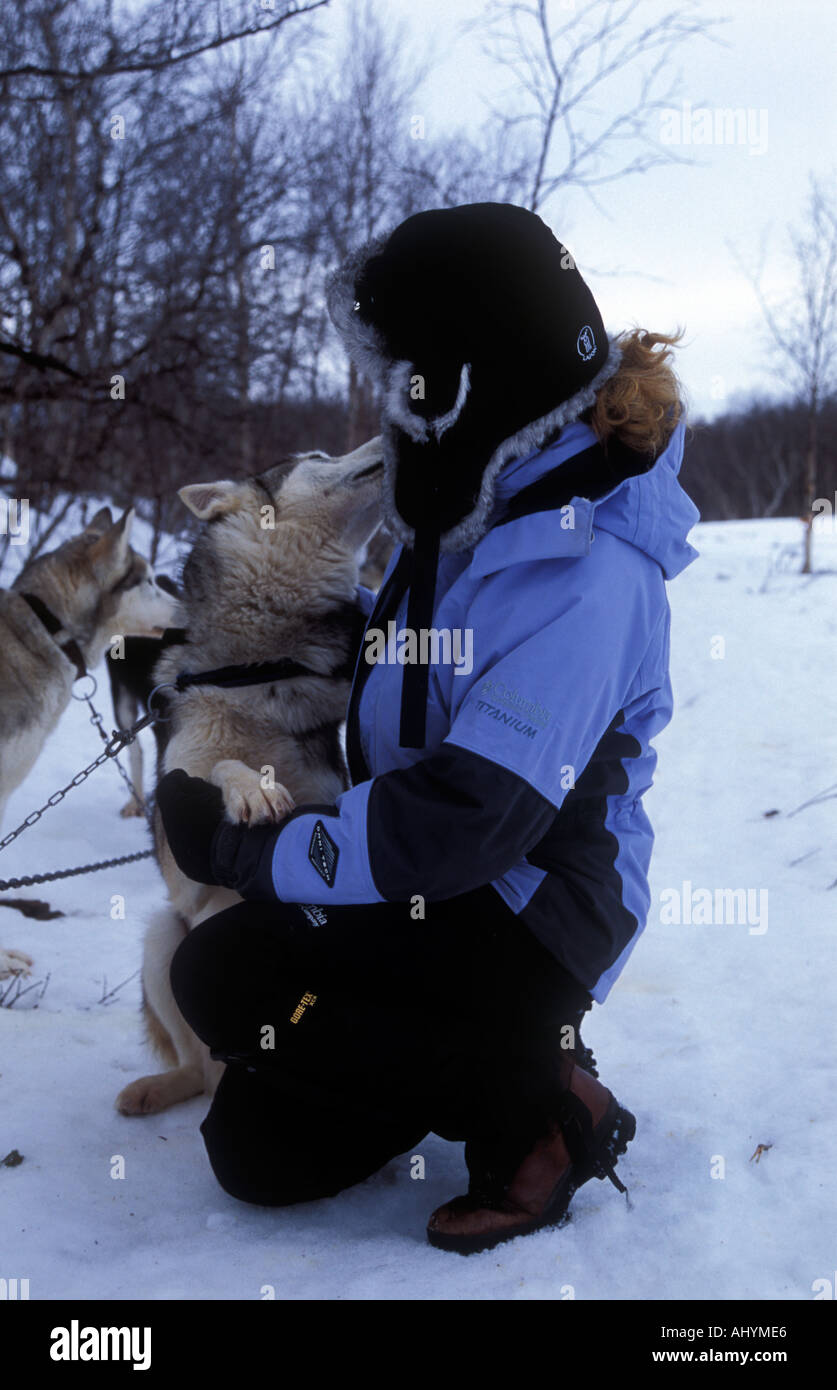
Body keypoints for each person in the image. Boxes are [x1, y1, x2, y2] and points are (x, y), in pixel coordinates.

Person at [156, 202, 700, 1255]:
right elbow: (415, 667)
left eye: (406, 375)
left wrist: (244, 850)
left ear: (468, 382)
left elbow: (462, 819)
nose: (389, 405)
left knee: (223, 974)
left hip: (527, 906)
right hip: (431, 890)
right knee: (256, 1153)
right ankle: (468, 1058)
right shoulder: (476, 504)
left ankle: (538, 1101)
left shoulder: (587, 571)